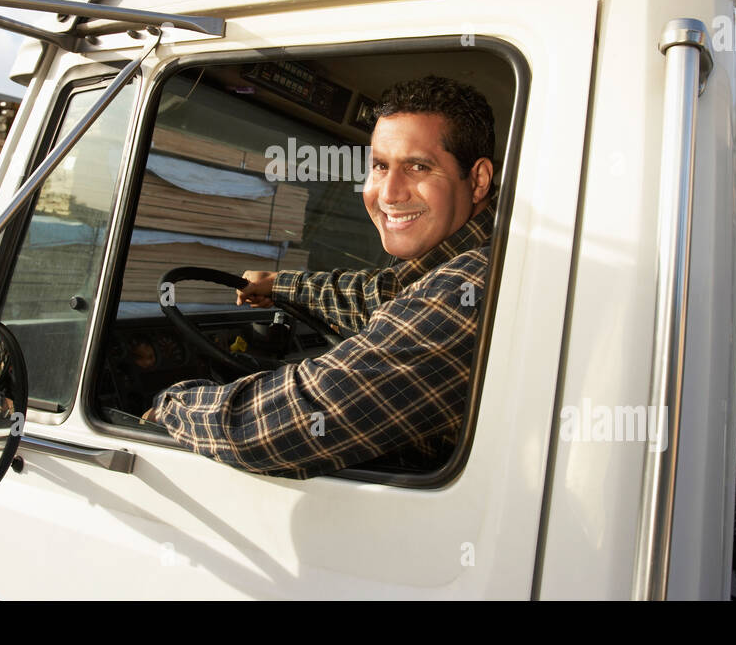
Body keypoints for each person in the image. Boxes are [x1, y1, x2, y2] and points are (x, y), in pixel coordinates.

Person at [143, 75, 496, 479]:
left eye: (418, 166)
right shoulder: (452, 266)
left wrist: (171, 407)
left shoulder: (474, 285)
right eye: (380, 166)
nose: (389, 193)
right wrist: (278, 284)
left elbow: (280, 426)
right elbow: (379, 296)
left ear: (479, 180)